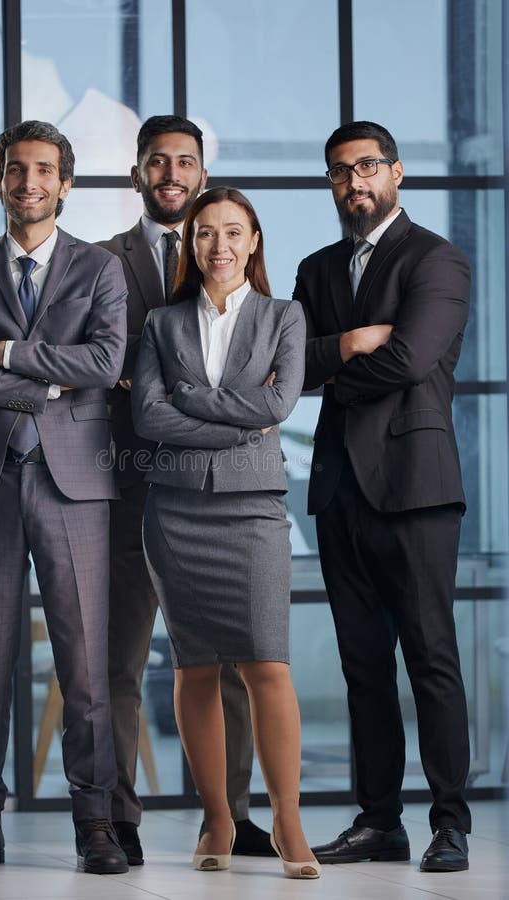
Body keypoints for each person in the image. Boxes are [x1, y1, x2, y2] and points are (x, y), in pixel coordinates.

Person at [0, 120, 129, 875]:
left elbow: (107, 358)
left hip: (75, 479)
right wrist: (57, 376)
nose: (29, 183)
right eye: (16, 170)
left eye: (44, 170)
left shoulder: (99, 271)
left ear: (66, 183)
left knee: (85, 658)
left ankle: (95, 822)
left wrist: (12, 356)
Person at [294, 120, 471, 873]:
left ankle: (451, 823)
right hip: (339, 490)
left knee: (430, 657)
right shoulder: (317, 267)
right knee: (362, 666)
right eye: (340, 172)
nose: (354, 182)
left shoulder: (437, 259)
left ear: (397, 173)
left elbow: (406, 359)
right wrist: (340, 352)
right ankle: (378, 820)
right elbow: (289, 368)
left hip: (415, 489)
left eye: (368, 167)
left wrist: (336, 365)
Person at [97, 115, 274, 864]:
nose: (172, 173)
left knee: (227, 661)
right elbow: (97, 366)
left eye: (186, 162)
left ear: (203, 173)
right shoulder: (102, 262)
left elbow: (264, 379)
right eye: (158, 162)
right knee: (119, 662)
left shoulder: (225, 262)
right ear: (138, 172)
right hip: (126, 484)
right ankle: (116, 816)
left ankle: (228, 815)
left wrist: (162, 393)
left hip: (212, 492)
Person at [131, 186, 319, 879]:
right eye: (204, 233)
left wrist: (194, 400)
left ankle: (289, 824)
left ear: (254, 241)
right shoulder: (160, 324)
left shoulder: (285, 317)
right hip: (176, 512)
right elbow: (149, 419)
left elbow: (280, 401)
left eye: (232, 232)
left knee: (268, 664)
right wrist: (233, 414)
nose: (218, 246)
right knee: (196, 667)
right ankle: (217, 814)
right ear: (191, 244)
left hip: (255, 512)